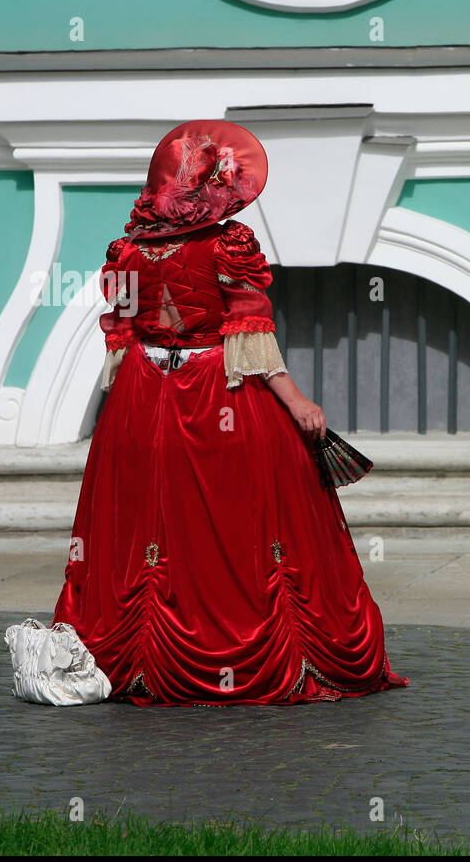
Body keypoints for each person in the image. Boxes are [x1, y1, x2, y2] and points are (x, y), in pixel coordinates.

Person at [49, 119, 408, 704]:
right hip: (218, 390)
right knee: (239, 517)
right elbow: (248, 329)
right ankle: (244, 636)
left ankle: (136, 650)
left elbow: (119, 334)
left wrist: (128, 406)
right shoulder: (227, 245)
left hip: (143, 395)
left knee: (149, 521)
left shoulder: (127, 251)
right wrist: (296, 402)